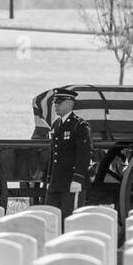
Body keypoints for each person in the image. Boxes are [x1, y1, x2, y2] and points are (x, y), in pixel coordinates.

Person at [43, 88, 92, 222]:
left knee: (70, 221)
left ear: (70, 103)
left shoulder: (79, 125)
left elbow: (84, 154)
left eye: (59, 102)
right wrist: (49, 179)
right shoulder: (56, 125)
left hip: (71, 183)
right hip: (56, 183)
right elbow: (53, 154)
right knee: (52, 221)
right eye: (55, 102)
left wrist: (78, 178)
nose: (56, 105)